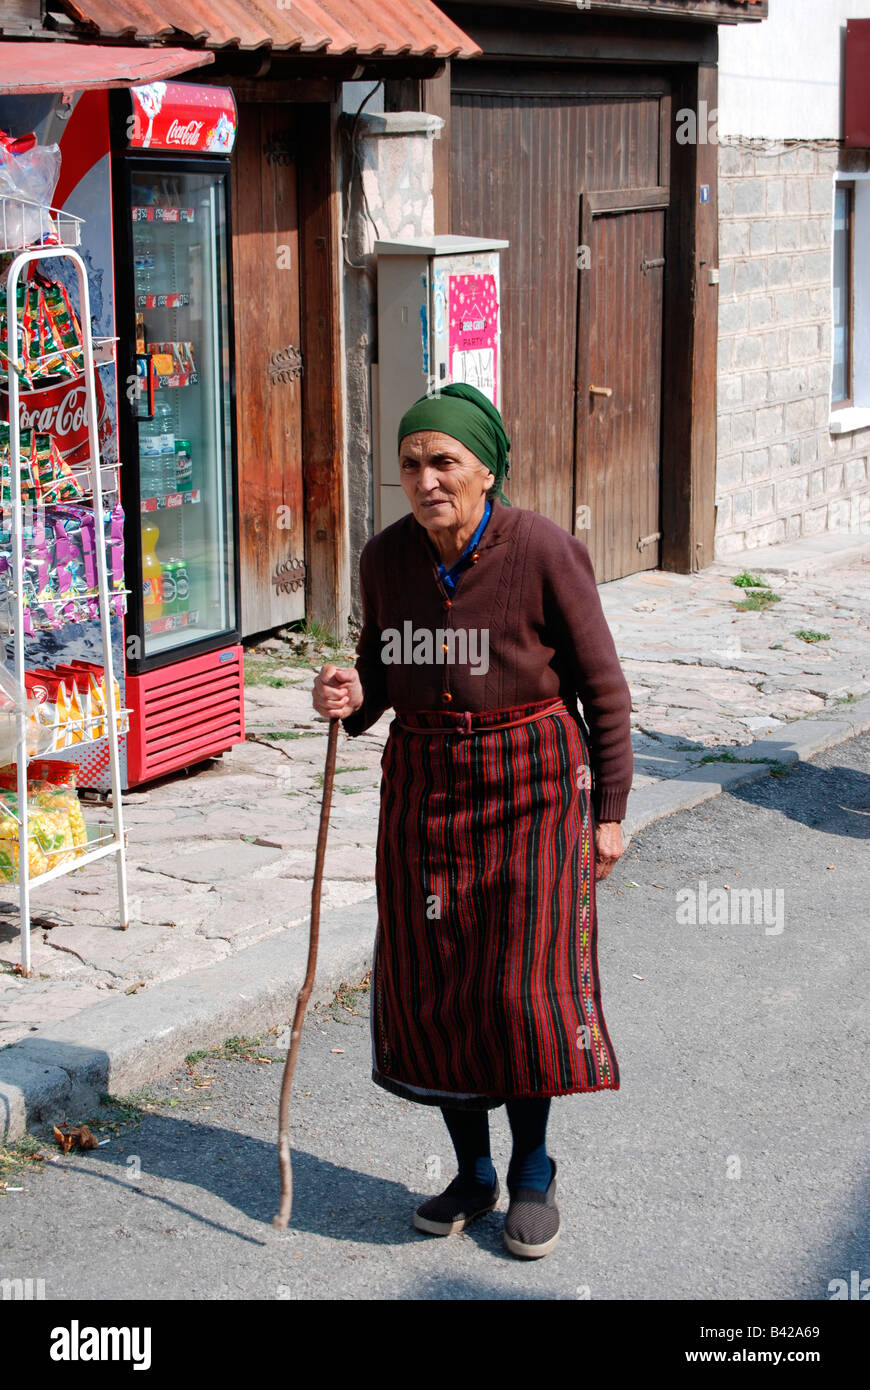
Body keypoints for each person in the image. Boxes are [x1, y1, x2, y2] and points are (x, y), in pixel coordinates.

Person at [312, 382, 633, 1259]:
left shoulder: (543, 551)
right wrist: (348, 695)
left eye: (444, 461)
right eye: (412, 464)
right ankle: (471, 1172)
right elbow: (379, 677)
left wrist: (608, 811)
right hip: (425, 790)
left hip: (532, 787)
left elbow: (603, 688)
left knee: (522, 984)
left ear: (486, 469)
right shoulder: (385, 560)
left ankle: (532, 1168)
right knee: (440, 979)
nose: (426, 479)